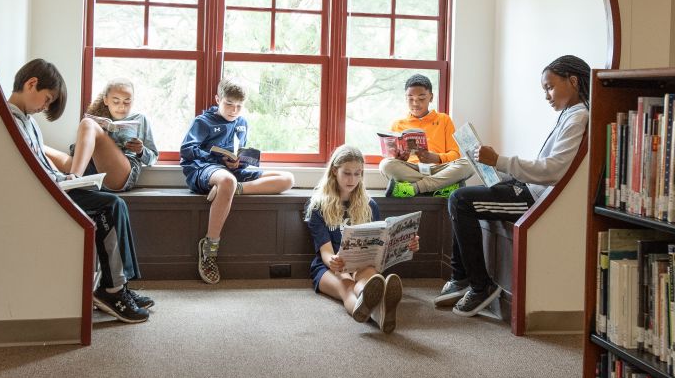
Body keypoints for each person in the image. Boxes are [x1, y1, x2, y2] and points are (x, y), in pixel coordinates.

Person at [437, 55, 591, 317]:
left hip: (532, 199)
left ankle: (477, 285)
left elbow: (554, 169)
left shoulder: (579, 118)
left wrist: (500, 161)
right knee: (459, 197)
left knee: (460, 201)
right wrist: (499, 168)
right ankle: (463, 277)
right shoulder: (570, 115)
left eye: (550, 87)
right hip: (526, 188)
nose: (547, 96)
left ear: (573, 81)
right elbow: (546, 164)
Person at [6, 58, 152, 323]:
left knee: (113, 203)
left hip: (58, 182)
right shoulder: (10, 121)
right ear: (31, 84)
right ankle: (113, 290)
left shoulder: (26, 122)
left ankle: (120, 286)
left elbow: (38, 158)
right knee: (111, 205)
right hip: (47, 190)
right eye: (47, 99)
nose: (44, 107)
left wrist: (67, 176)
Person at [181, 78, 294, 284]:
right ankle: (209, 249)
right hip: (204, 170)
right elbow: (187, 151)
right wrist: (217, 157)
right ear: (218, 99)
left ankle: (234, 189)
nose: (234, 110)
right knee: (226, 181)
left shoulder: (242, 123)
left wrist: (237, 163)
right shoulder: (203, 122)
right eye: (229, 104)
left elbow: (238, 152)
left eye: (239, 106)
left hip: (231, 173)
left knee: (287, 179)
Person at [305, 145, 418, 333]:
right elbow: (325, 251)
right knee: (346, 287)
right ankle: (379, 311)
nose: (352, 179)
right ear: (335, 170)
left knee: (371, 278)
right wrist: (333, 261)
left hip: (361, 264)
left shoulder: (368, 205)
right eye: (347, 173)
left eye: (358, 174)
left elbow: (378, 243)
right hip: (329, 267)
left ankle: (379, 306)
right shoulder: (318, 205)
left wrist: (407, 244)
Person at [380, 74, 473, 197]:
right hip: (412, 169)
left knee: (470, 163)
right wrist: (400, 158)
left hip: (439, 169)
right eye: (410, 98)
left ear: (431, 97)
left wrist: (435, 158)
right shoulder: (398, 124)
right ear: (405, 98)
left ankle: (415, 188)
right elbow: (392, 159)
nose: (415, 103)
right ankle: (442, 186)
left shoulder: (444, 119)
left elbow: (455, 155)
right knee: (385, 165)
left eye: (421, 98)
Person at [68, 78, 158, 191]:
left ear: (133, 100)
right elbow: (74, 152)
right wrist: (98, 138)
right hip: (93, 170)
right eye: (116, 101)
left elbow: (153, 158)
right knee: (45, 152)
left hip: (121, 175)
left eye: (127, 101)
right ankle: (74, 178)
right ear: (106, 100)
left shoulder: (140, 119)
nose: (121, 106)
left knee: (87, 123)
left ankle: (74, 179)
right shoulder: (97, 118)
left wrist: (141, 151)